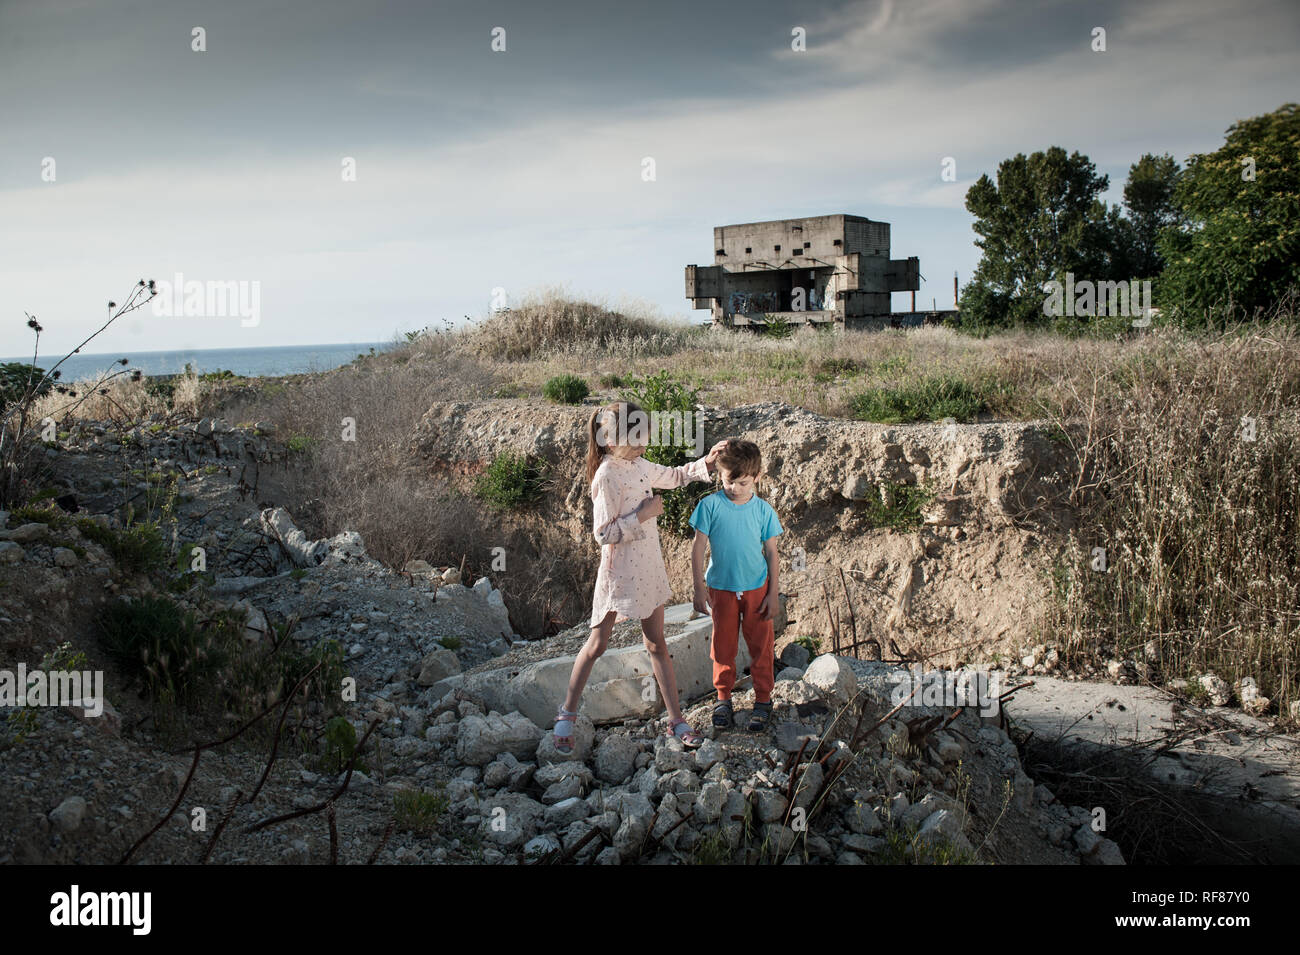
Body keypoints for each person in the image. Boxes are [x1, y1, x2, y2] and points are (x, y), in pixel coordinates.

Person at [553, 401, 728, 753]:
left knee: (656, 644)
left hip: (648, 567)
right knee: (597, 645)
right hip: (618, 572)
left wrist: (706, 463)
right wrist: (643, 514)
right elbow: (602, 534)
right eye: (638, 439)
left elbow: (675, 476)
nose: (645, 444)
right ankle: (567, 713)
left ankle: (675, 720)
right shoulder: (606, 475)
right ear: (611, 440)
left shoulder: (639, 464)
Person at [689, 438, 783, 732]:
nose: (735, 489)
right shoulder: (710, 506)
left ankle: (764, 700)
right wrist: (697, 587)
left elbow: (771, 553)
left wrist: (773, 593)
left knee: (762, 645)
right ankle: (723, 698)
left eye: (743, 483)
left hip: (757, 588)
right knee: (723, 645)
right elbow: (697, 548)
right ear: (720, 474)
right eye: (729, 481)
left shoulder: (764, 511)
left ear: (756, 477)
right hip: (721, 588)